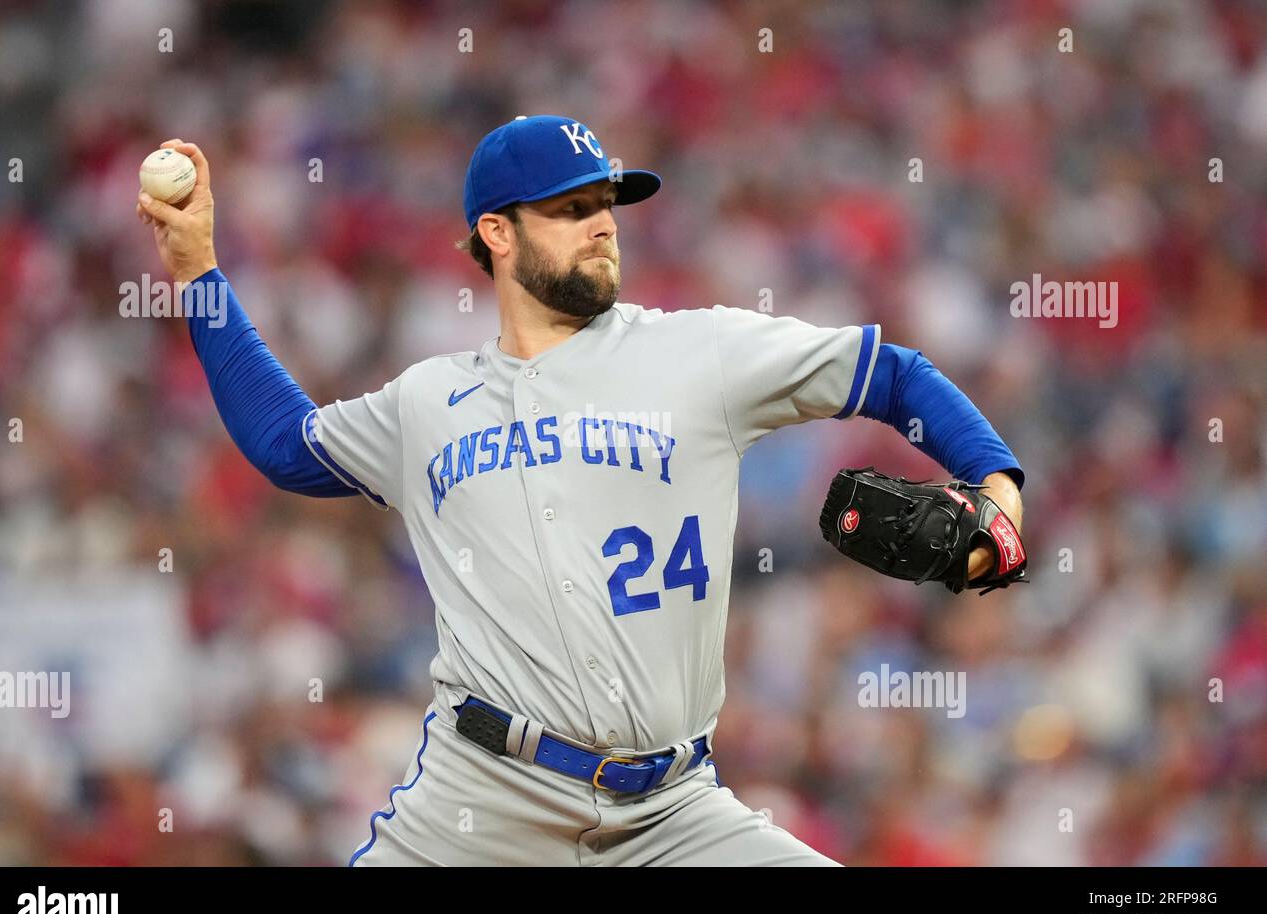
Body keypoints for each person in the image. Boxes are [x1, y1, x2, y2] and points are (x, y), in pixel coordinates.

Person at [136, 115, 1024, 866]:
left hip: (675, 813)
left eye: (607, 203)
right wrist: (198, 274)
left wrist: (996, 490)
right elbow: (286, 444)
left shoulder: (697, 352)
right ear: (497, 232)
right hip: (480, 803)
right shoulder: (427, 402)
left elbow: (893, 376)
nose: (603, 223)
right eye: (571, 208)